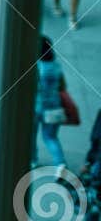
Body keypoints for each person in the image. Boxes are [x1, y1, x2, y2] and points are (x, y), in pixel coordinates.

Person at [35, 35, 70, 171]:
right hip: (54, 107)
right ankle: (60, 164)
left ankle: (33, 160)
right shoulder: (57, 67)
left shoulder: (36, 67)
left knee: (31, 136)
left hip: (36, 107)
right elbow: (63, 87)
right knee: (50, 137)